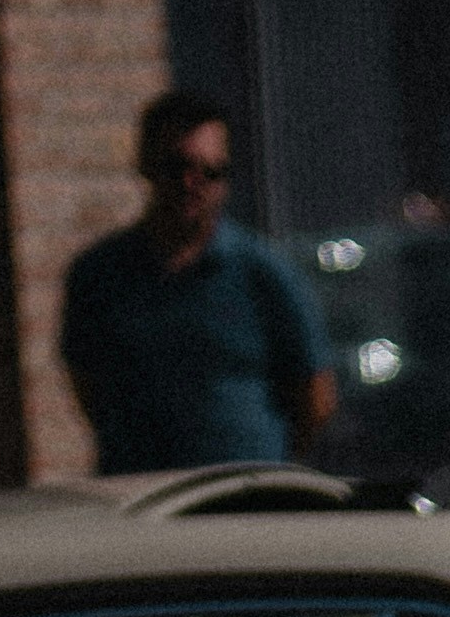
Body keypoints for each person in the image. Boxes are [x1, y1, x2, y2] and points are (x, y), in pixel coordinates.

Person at [58, 93, 336, 476]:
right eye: (178, 168)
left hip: (244, 503)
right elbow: (85, 380)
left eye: (212, 172)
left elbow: (316, 398)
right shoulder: (99, 274)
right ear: (146, 166)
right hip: (139, 500)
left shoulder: (265, 275)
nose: (194, 184)